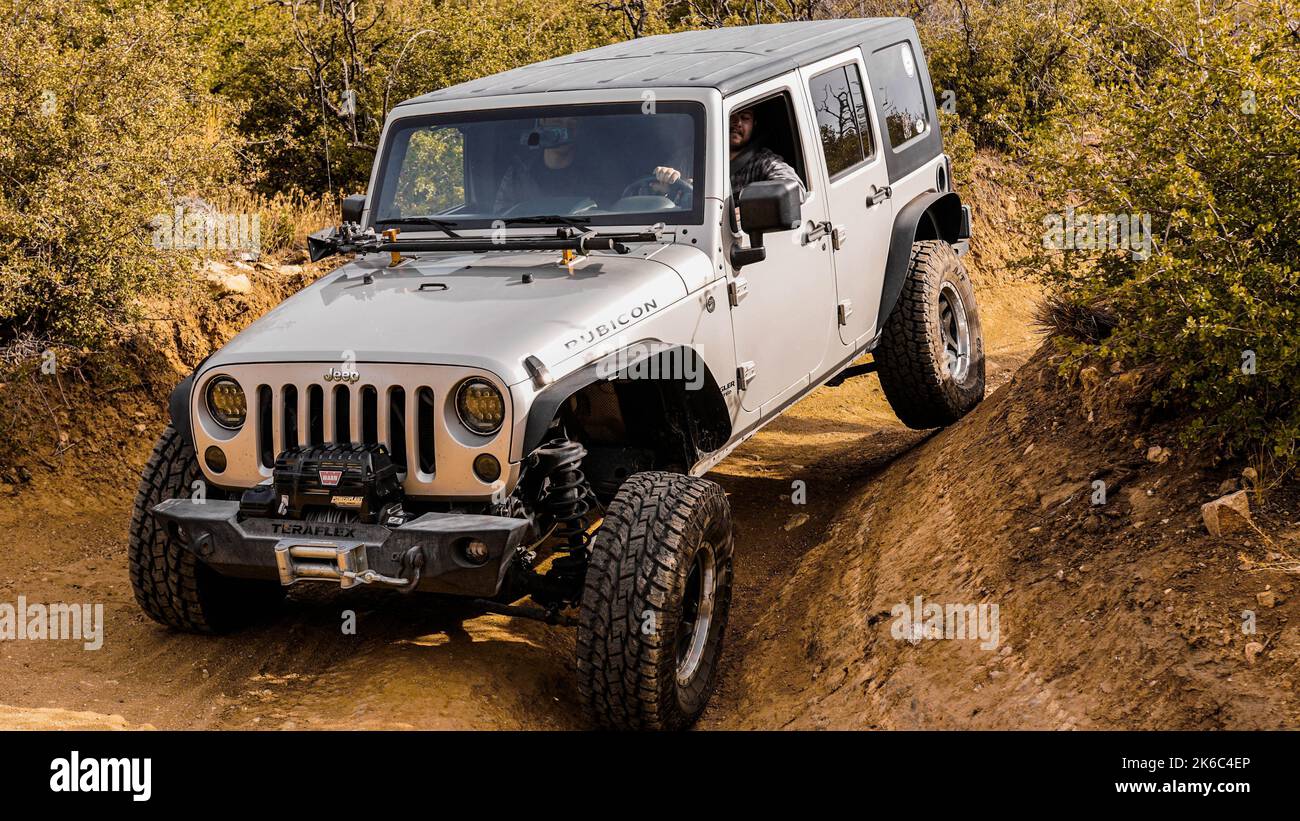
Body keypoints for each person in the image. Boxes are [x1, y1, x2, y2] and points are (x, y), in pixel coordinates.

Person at [651, 106, 804, 199]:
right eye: (731, 116)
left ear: (754, 125)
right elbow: (653, 195)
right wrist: (665, 180)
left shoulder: (764, 162)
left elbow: (795, 189)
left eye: (745, 117)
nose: (737, 123)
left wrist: (749, 208)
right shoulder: (688, 157)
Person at [494, 116, 599, 212]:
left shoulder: (596, 174)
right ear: (542, 121)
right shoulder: (519, 173)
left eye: (573, 122)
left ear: (580, 127)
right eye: (557, 122)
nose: (565, 130)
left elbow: (605, 218)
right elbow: (502, 217)